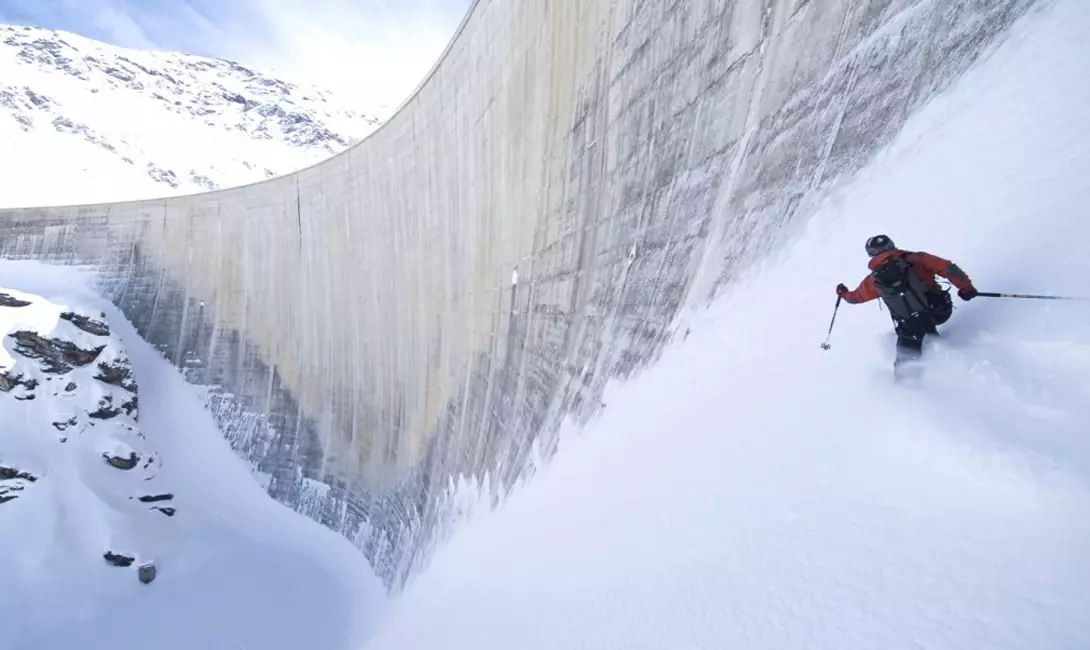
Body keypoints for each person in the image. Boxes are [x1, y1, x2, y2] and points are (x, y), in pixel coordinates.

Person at [836, 235, 979, 362]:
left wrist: (843, 293)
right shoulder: (918, 259)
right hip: (937, 312)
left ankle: (908, 387)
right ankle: (952, 363)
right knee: (927, 326)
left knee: (906, 363)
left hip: (909, 324)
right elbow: (949, 269)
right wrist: (967, 289)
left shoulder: (874, 279)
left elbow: (855, 298)